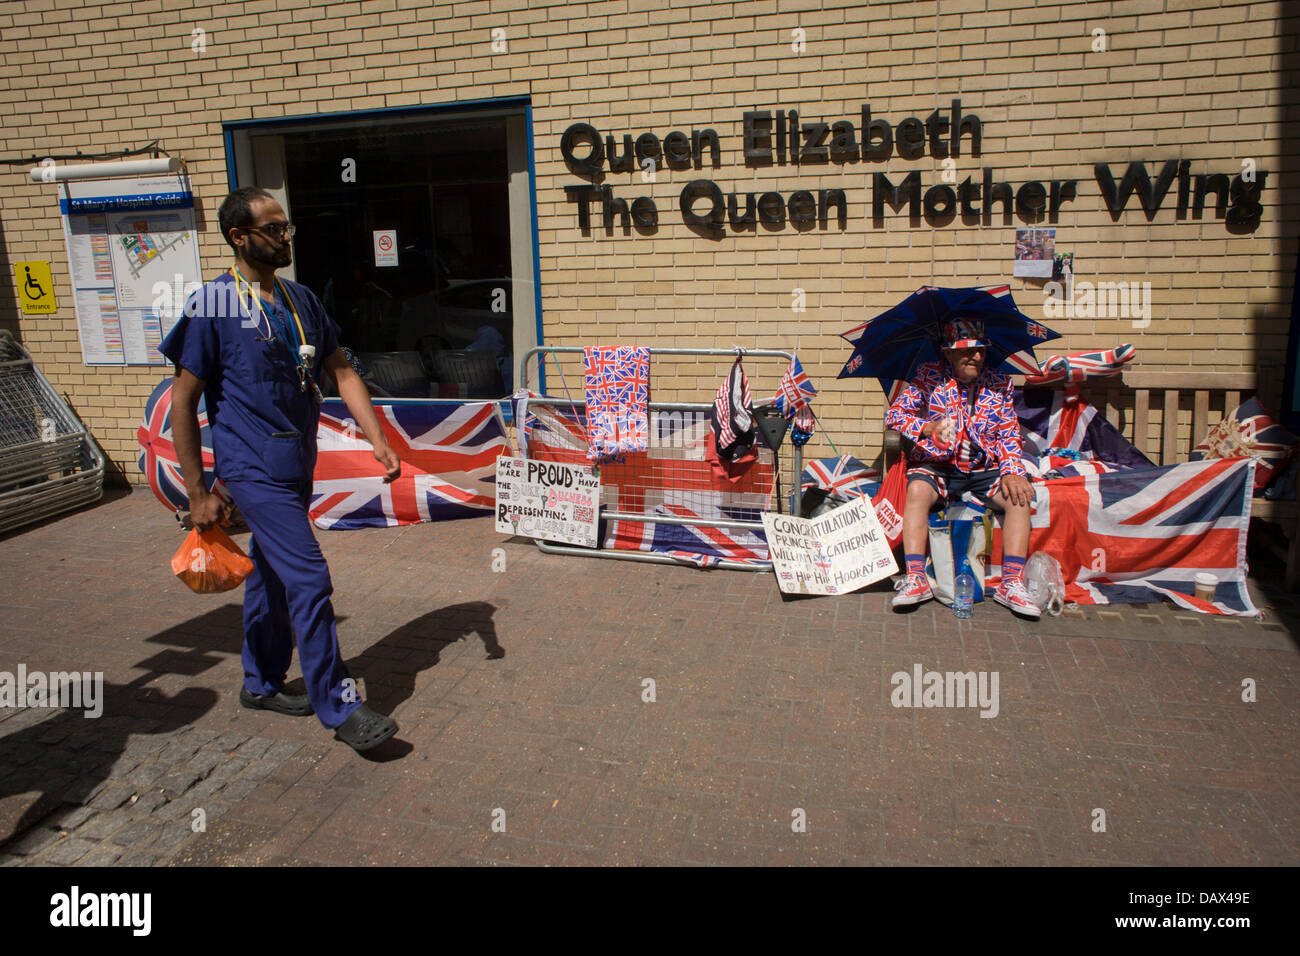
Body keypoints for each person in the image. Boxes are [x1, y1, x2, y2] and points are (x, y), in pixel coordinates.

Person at [162, 186, 403, 751]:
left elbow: (339, 370)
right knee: (310, 579)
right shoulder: (213, 306)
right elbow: (182, 401)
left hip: (296, 461)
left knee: (270, 575)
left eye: (287, 227)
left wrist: (379, 439)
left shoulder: (300, 300)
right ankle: (342, 709)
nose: (285, 237)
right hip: (251, 467)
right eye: (273, 229)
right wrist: (197, 491)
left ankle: (261, 683)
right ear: (238, 237)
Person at [884, 318, 1041, 618]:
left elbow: (1009, 433)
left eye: (980, 351)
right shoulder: (928, 377)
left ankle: (1011, 584)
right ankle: (916, 577)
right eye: (967, 352)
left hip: (984, 469)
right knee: (917, 489)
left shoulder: (1000, 384)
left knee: (1019, 498)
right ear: (948, 354)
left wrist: (1011, 470)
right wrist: (926, 427)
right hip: (939, 467)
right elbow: (895, 416)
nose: (976, 357)